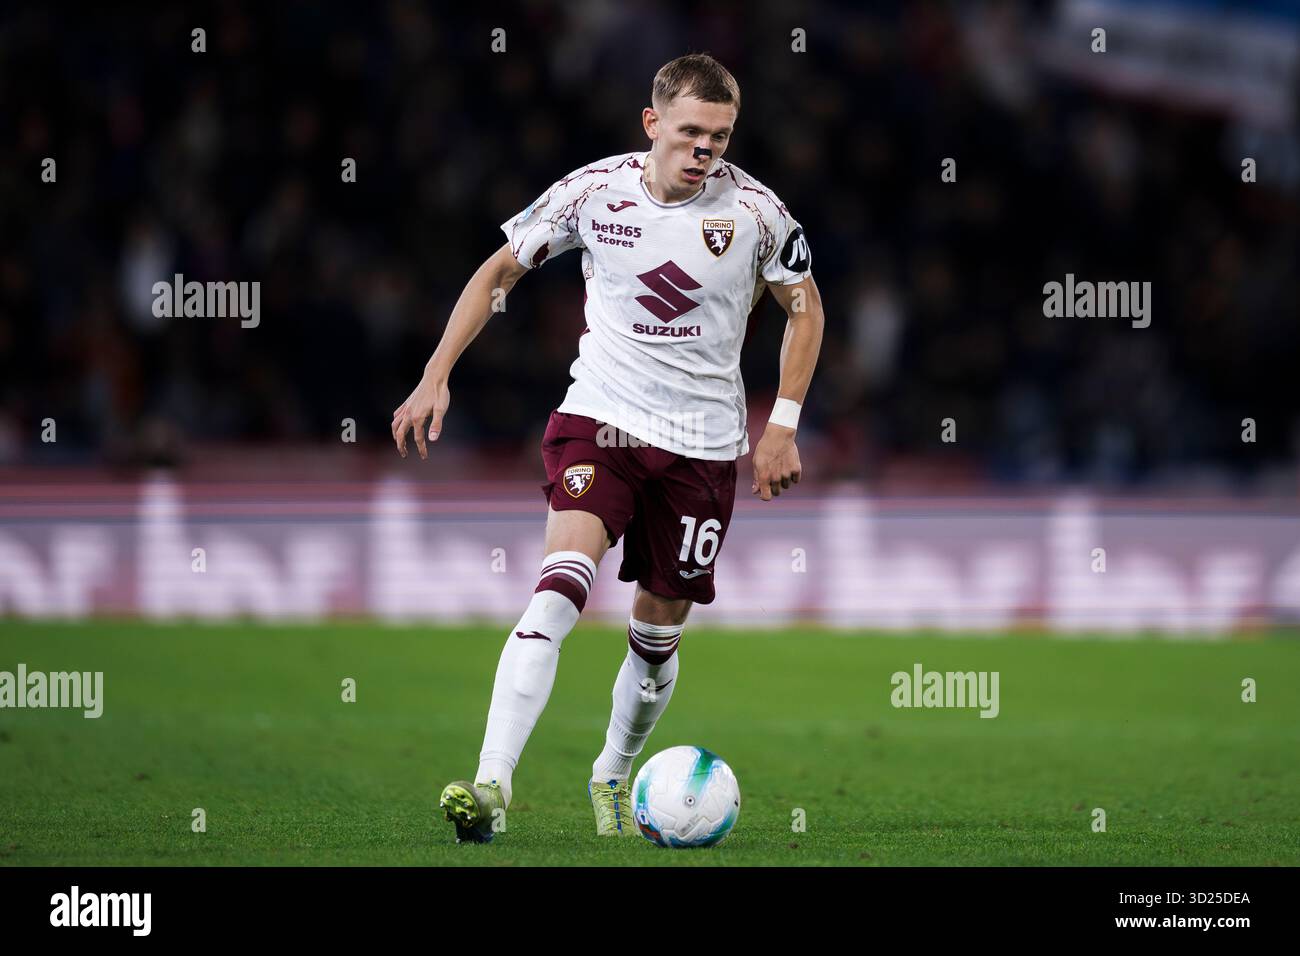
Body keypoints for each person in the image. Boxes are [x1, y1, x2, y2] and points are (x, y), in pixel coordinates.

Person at [391, 52, 824, 842]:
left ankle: (612, 774)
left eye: (720, 137)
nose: (705, 151)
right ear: (652, 123)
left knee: (656, 641)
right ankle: (492, 785)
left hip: (700, 445)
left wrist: (783, 424)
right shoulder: (593, 192)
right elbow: (502, 269)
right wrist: (435, 373)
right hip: (601, 421)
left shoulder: (760, 215)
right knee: (560, 587)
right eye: (691, 132)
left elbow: (806, 309)